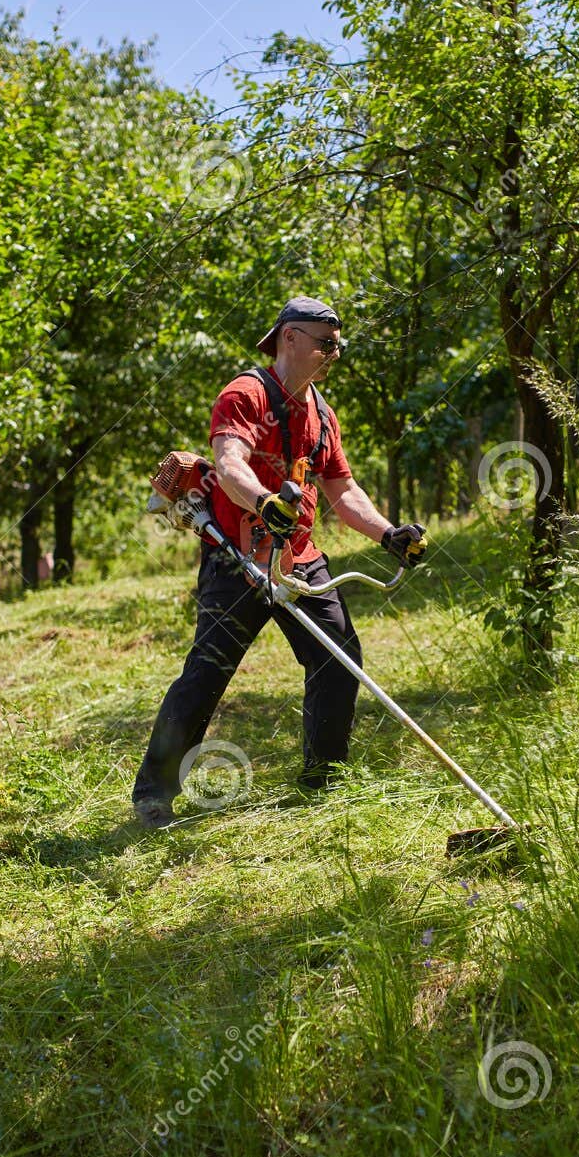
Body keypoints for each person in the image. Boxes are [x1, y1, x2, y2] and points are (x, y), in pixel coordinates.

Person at [132, 296, 428, 828]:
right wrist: (263, 500)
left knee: (339, 660)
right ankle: (154, 794)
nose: (334, 352)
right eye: (325, 342)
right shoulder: (244, 395)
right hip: (237, 558)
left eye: (338, 343)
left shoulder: (323, 413)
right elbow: (228, 464)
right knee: (206, 674)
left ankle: (323, 780)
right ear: (289, 338)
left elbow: (342, 490)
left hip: (299, 558)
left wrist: (389, 534)